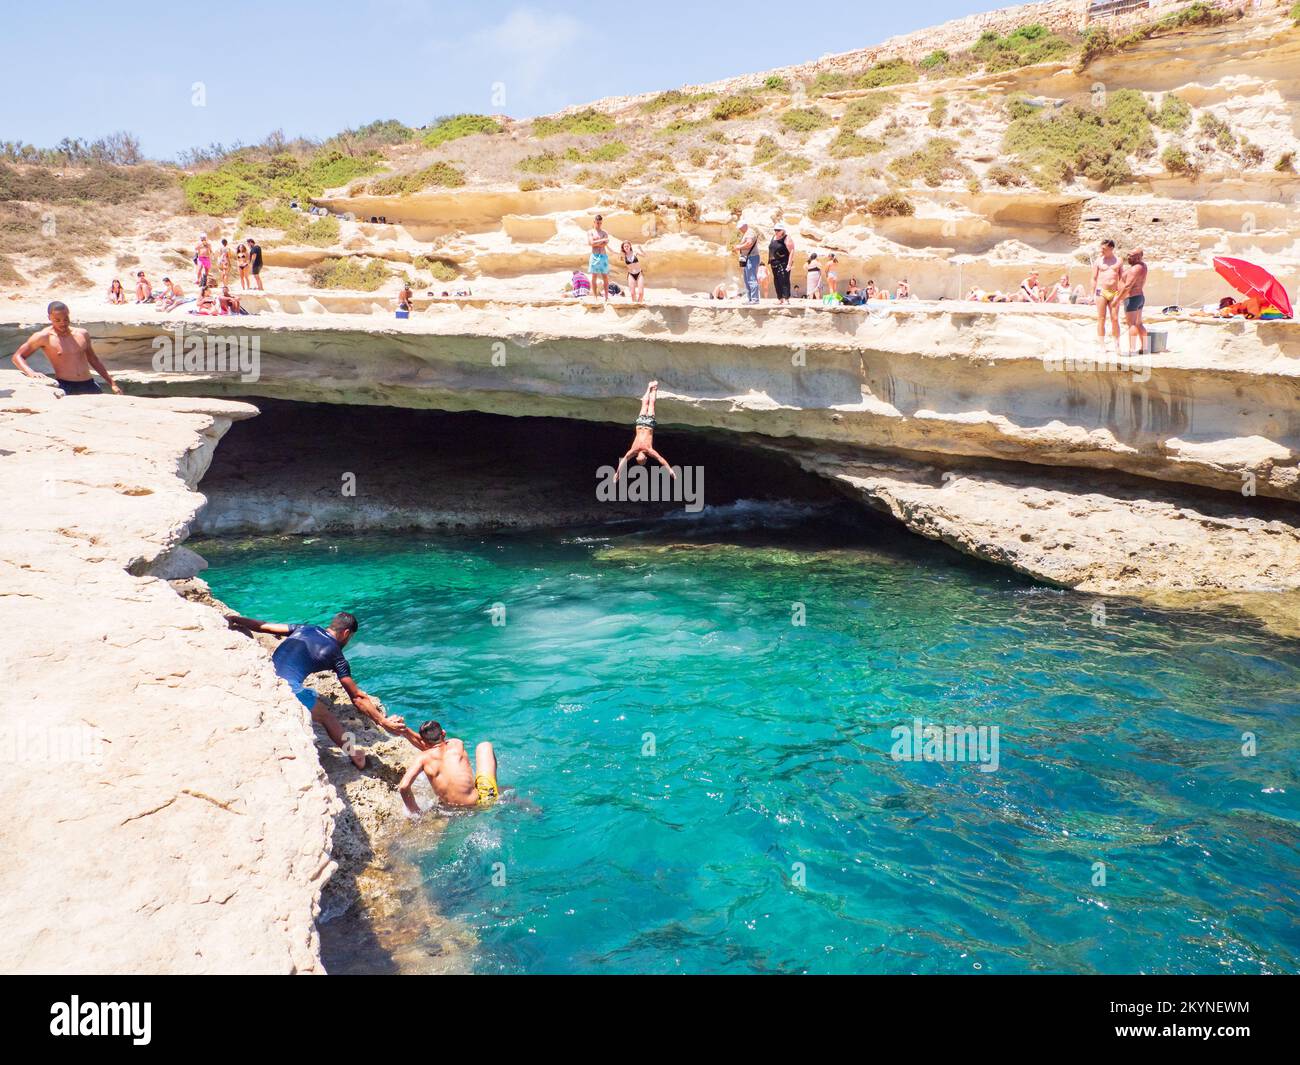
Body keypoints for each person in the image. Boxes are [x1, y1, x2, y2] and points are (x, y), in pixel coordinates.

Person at [226, 611, 424, 769]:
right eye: (350, 637)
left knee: (311, 695)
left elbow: (264, 626)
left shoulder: (304, 628)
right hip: (285, 691)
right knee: (327, 717)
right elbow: (356, 697)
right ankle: (357, 756)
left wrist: (236, 619)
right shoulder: (336, 655)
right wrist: (382, 721)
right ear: (346, 633)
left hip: (262, 677)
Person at [10, 300, 122, 396]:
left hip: (89, 384)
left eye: (65, 319)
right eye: (57, 320)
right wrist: (30, 372)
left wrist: (112, 384)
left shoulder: (82, 334)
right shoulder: (44, 337)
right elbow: (17, 356)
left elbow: (93, 360)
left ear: (68, 314)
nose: (63, 323)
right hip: (66, 386)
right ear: (49, 317)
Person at [398, 721, 499, 812]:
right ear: (444, 733)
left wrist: (416, 813)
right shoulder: (456, 743)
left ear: (424, 741)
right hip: (482, 801)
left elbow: (403, 787)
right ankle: (494, 792)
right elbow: (428, 744)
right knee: (485, 745)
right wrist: (408, 732)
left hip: (454, 811)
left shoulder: (422, 758)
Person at [614, 380, 676, 482]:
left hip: (647, 425)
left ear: (645, 458)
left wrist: (670, 470)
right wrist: (618, 472)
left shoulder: (645, 450)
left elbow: (661, 460)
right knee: (646, 403)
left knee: (650, 404)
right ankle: (650, 387)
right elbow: (624, 460)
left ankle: (653, 387)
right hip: (642, 424)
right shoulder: (637, 451)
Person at [1090, 238, 1123, 350]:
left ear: (1111, 248)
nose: (1101, 250)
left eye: (1104, 249)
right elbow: (1094, 278)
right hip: (1101, 291)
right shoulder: (1098, 261)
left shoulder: (1119, 261)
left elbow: (1122, 278)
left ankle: (1117, 344)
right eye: (1101, 248)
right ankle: (1102, 344)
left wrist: (1121, 294)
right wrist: (1092, 293)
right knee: (1101, 318)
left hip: (1114, 292)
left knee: (1114, 318)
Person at [1117, 248, 1148, 355]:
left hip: (1132, 298)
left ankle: (1132, 349)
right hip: (1139, 297)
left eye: (1131, 255)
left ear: (1138, 257)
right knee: (1139, 324)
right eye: (1128, 255)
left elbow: (1128, 286)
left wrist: (1118, 299)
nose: (1128, 257)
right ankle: (1144, 347)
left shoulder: (1135, 269)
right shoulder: (1142, 266)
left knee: (1132, 324)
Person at [734, 222, 762, 304]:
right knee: (747, 279)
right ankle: (750, 299)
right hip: (748, 258)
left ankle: (755, 299)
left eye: (741, 227)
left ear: (745, 226)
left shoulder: (750, 232)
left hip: (751, 258)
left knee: (751, 279)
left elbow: (749, 243)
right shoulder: (747, 232)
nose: (740, 229)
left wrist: (739, 247)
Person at [587, 213, 613, 299]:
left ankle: (606, 297)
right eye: (597, 222)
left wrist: (597, 242)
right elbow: (591, 243)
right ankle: (595, 297)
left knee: (605, 276)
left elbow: (604, 245)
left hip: (603, 256)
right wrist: (602, 240)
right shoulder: (590, 232)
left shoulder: (605, 232)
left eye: (600, 223)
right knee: (594, 276)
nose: (599, 224)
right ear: (594, 222)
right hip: (594, 256)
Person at [768, 224, 794, 304]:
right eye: (775, 230)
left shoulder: (786, 238)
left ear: (782, 231)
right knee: (776, 280)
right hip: (774, 263)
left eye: (778, 230)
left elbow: (792, 251)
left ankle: (786, 299)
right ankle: (780, 299)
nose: (776, 231)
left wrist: (789, 264)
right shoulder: (773, 237)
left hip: (783, 262)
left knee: (784, 280)